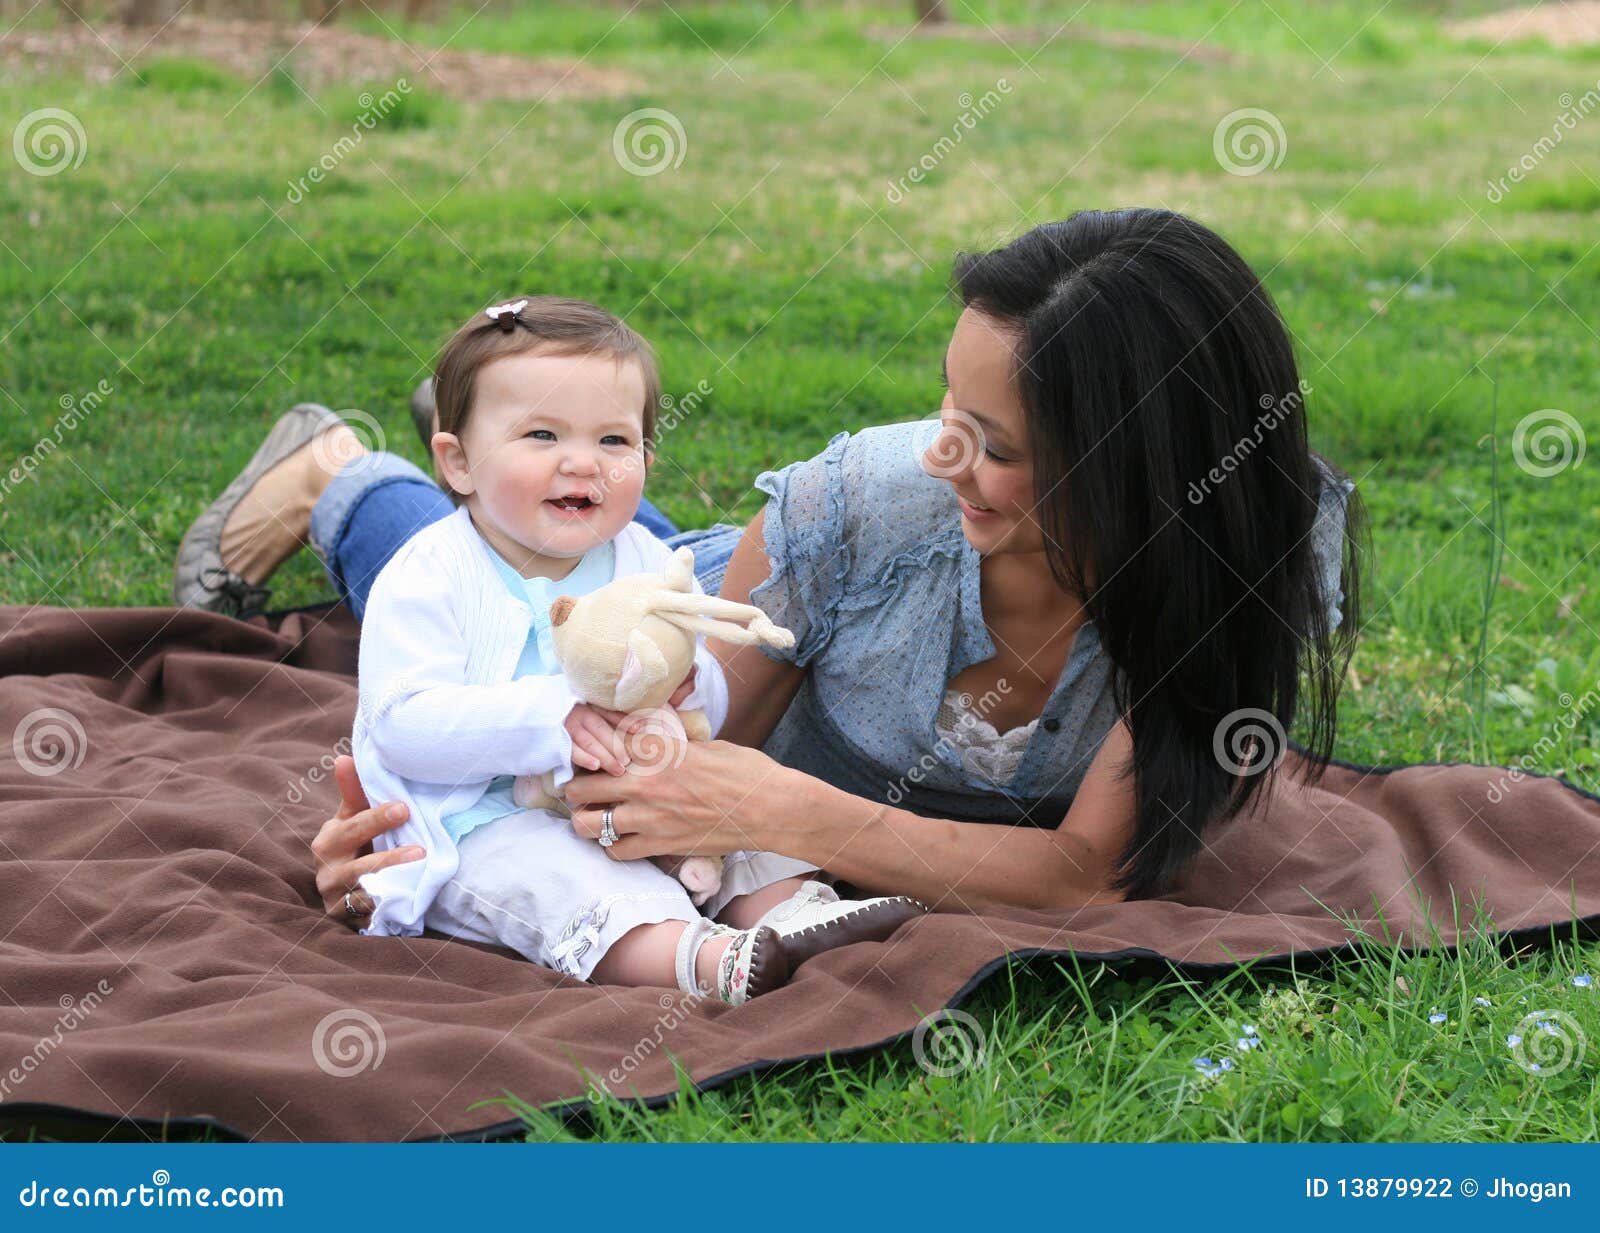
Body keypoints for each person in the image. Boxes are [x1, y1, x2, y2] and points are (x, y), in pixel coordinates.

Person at [175, 208, 1363, 932]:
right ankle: (344, 477)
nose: (943, 453)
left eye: (995, 446)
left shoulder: (1238, 554)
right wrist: (413, 850)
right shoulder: (866, 505)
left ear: (1137, 475)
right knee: (511, 563)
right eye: (950, 408)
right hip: (667, 611)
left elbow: (1088, 880)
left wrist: (790, 811)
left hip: (719, 616)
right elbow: (649, 752)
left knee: (550, 509)